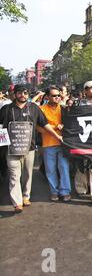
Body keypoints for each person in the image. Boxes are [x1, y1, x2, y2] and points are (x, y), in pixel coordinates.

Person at [0, 85, 62, 213]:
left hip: (30, 148)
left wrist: (57, 136)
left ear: (28, 94)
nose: (23, 95)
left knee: (28, 174)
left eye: (25, 93)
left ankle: (25, 196)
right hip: (11, 150)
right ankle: (17, 203)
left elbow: (44, 124)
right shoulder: (6, 109)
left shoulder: (34, 108)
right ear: (14, 94)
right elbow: (0, 127)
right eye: (20, 93)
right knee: (14, 175)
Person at [37, 86, 71, 202]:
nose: (57, 97)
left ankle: (65, 191)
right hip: (48, 144)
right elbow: (39, 127)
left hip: (62, 143)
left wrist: (63, 125)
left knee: (64, 168)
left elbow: (70, 125)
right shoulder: (41, 109)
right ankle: (54, 192)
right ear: (47, 97)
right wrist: (55, 128)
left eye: (58, 95)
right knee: (50, 170)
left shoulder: (64, 109)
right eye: (54, 95)